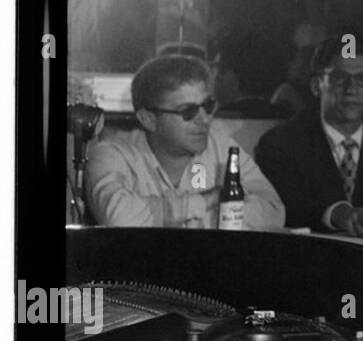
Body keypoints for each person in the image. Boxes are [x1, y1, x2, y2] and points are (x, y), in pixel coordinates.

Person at [84, 54, 284, 229]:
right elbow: (118, 218)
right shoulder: (112, 154)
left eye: (208, 105)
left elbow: (273, 211)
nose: (205, 119)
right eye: (188, 111)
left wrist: (180, 218)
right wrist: (209, 201)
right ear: (149, 119)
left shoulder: (223, 149)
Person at [255, 37, 363, 234]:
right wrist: (339, 214)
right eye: (340, 78)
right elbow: (283, 208)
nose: (351, 89)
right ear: (316, 86)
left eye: (362, 79)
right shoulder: (281, 144)